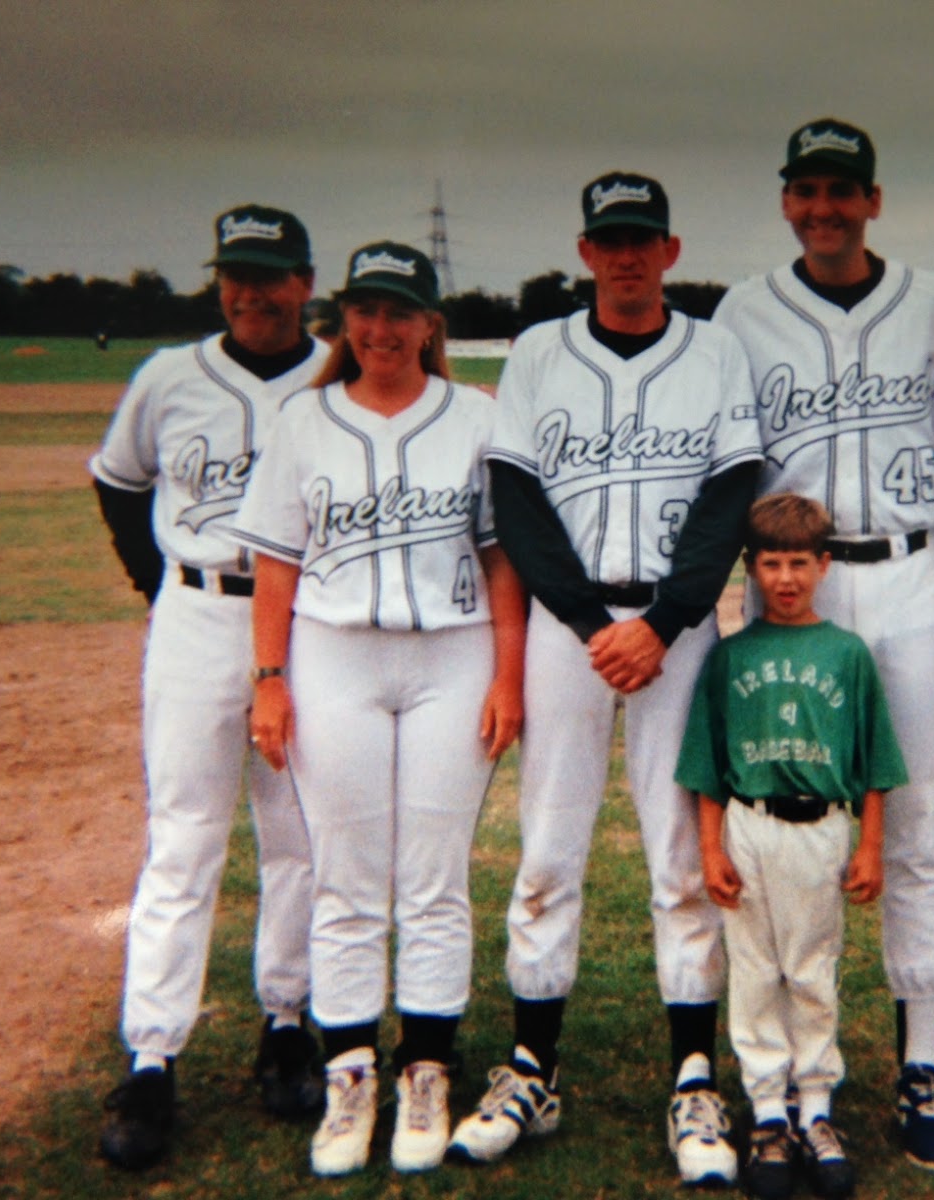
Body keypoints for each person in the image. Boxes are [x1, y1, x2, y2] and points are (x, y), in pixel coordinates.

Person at [446, 172, 764, 1187]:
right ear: (585, 251)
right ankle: (532, 1063)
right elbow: (518, 497)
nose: (626, 257)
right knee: (548, 844)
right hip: (566, 627)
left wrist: (666, 622)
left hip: (676, 629)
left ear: (670, 251)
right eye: (609, 240)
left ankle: (694, 1078)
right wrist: (592, 622)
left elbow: (728, 495)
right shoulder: (540, 350)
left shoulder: (714, 351)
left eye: (644, 240)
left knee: (683, 849)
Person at [712, 117, 934, 1170]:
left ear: (873, 199)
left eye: (843, 190)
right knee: (775, 833)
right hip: (788, 586)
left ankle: (922, 1067)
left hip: (910, 576)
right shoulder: (742, 311)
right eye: (805, 190)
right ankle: (780, 1076)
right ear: (786, 200)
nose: (823, 208)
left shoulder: (933, 306)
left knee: (912, 827)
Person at [229, 242, 527, 1177]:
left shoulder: (475, 415)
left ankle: (427, 1070)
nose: (382, 329)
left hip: (452, 653)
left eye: (402, 312)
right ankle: (351, 1074)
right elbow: (275, 561)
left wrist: (509, 677)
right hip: (334, 657)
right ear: (343, 319)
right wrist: (270, 678)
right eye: (367, 310)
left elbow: (500, 560)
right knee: (346, 877)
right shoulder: (304, 419)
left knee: (434, 875)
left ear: (431, 323)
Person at [88, 204, 328, 1170]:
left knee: (297, 835)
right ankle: (152, 1059)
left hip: (311, 627)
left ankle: (288, 1021)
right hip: (196, 612)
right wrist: (159, 587)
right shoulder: (170, 376)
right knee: (184, 839)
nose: (251, 292)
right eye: (235, 272)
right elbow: (118, 478)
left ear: (307, 282)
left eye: (270, 274)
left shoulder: (337, 378)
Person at [677, 493, 907, 1200]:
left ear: (824, 565)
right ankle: (767, 1114)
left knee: (811, 968)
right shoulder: (730, 656)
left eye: (799, 563)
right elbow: (708, 766)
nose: (784, 578)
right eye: (771, 563)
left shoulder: (846, 653)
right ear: (750, 568)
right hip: (750, 822)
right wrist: (711, 849)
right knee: (753, 969)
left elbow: (874, 763)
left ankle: (816, 1109)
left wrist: (870, 847)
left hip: (820, 828)